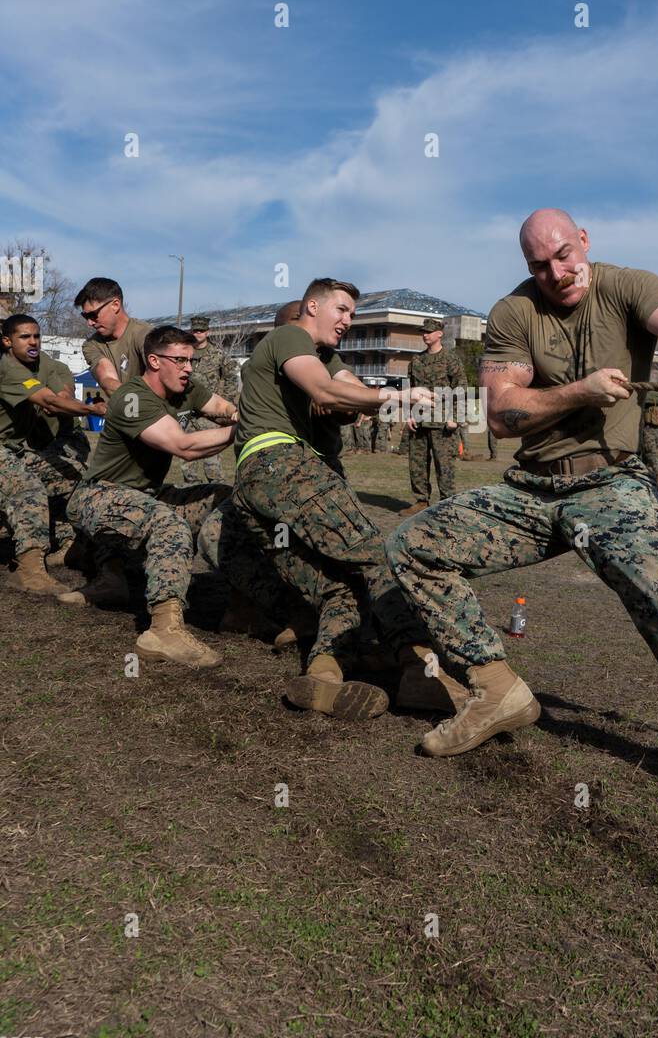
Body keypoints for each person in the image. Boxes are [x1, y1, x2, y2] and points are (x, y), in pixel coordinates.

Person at [386, 209, 658, 842]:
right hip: (532, 492)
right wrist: (579, 393)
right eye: (540, 264)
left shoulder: (627, 286)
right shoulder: (514, 313)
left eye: (564, 255)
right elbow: (503, 416)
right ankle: (495, 689)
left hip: (614, 485)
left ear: (584, 241)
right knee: (413, 543)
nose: (556, 273)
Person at [224, 278, 468, 718]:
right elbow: (325, 390)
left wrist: (360, 400)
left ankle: (323, 674)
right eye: (341, 310)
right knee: (378, 556)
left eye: (353, 314)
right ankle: (420, 672)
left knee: (343, 584)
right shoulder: (289, 335)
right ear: (311, 306)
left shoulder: (325, 355)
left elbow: (347, 390)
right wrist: (397, 396)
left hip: (261, 484)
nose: (347, 321)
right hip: (283, 466)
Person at [57, 326, 236, 667]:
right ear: (154, 361)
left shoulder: (184, 387)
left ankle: (243, 607)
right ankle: (163, 630)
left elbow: (221, 406)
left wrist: (243, 415)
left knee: (227, 498)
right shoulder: (132, 398)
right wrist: (242, 430)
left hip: (148, 493)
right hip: (99, 495)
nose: (188, 368)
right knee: (167, 524)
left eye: (191, 360)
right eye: (180, 360)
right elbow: (183, 447)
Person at [0, 314, 106, 593]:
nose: (33, 342)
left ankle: (75, 544)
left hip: (16, 450)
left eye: (36, 336)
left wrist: (67, 398)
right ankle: (29, 571)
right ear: (7, 341)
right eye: (25, 337)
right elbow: (46, 400)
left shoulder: (42, 362)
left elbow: (61, 388)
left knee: (75, 478)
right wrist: (92, 409)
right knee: (27, 488)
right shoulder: (8, 368)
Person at [400, 319, 466, 516]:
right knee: (417, 463)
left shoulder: (450, 359)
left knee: (444, 465)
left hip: (443, 422)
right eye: (423, 332)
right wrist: (408, 415)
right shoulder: (416, 360)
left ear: (439, 334)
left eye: (429, 332)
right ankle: (421, 501)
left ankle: (447, 504)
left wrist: (455, 417)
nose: (425, 335)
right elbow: (408, 390)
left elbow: (461, 387)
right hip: (419, 421)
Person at [180, 316, 239, 486]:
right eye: (195, 330)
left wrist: (226, 402)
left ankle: (216, 490)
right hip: (187, 410)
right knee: (186, 457)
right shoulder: (185, 353)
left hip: (208, 412)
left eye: (201, 331)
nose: (198, 334)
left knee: (211, 457)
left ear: (208, 332)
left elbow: (230, 377)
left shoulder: (218, 354)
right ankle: (190, 491)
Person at [76, 277, 151, 395]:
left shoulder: (146, 335)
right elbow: (108, 380)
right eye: (85, 317)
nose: (89, 323)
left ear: (115, 305)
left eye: (93, 315)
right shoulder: (91, 345)